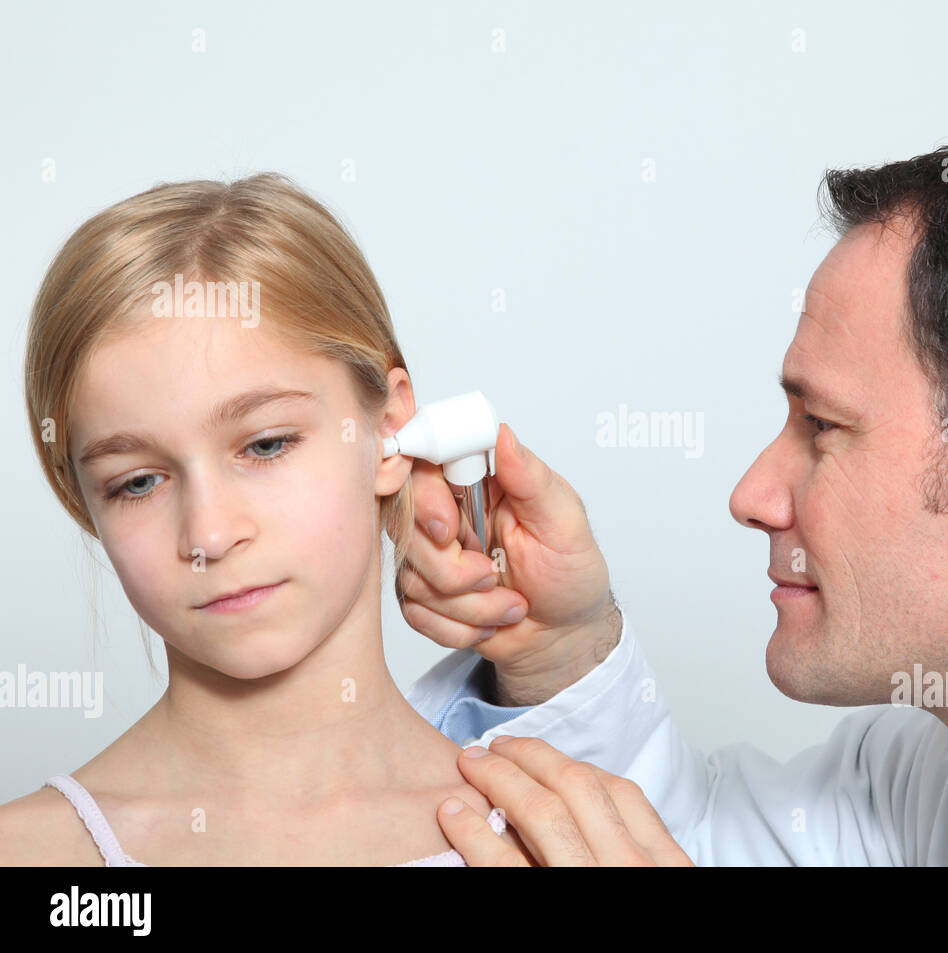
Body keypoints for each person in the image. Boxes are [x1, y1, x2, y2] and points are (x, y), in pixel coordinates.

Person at [402, 128, 948, 865]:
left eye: (822, 427)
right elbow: (671, 847)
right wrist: (563, 654)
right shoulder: (938, 773)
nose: (752, 496)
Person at [0, 172, 684, 866]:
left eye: (266, 445)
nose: (208, 535)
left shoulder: (573, 843)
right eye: (137, 482)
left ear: (389, 427)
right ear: (83, 501)